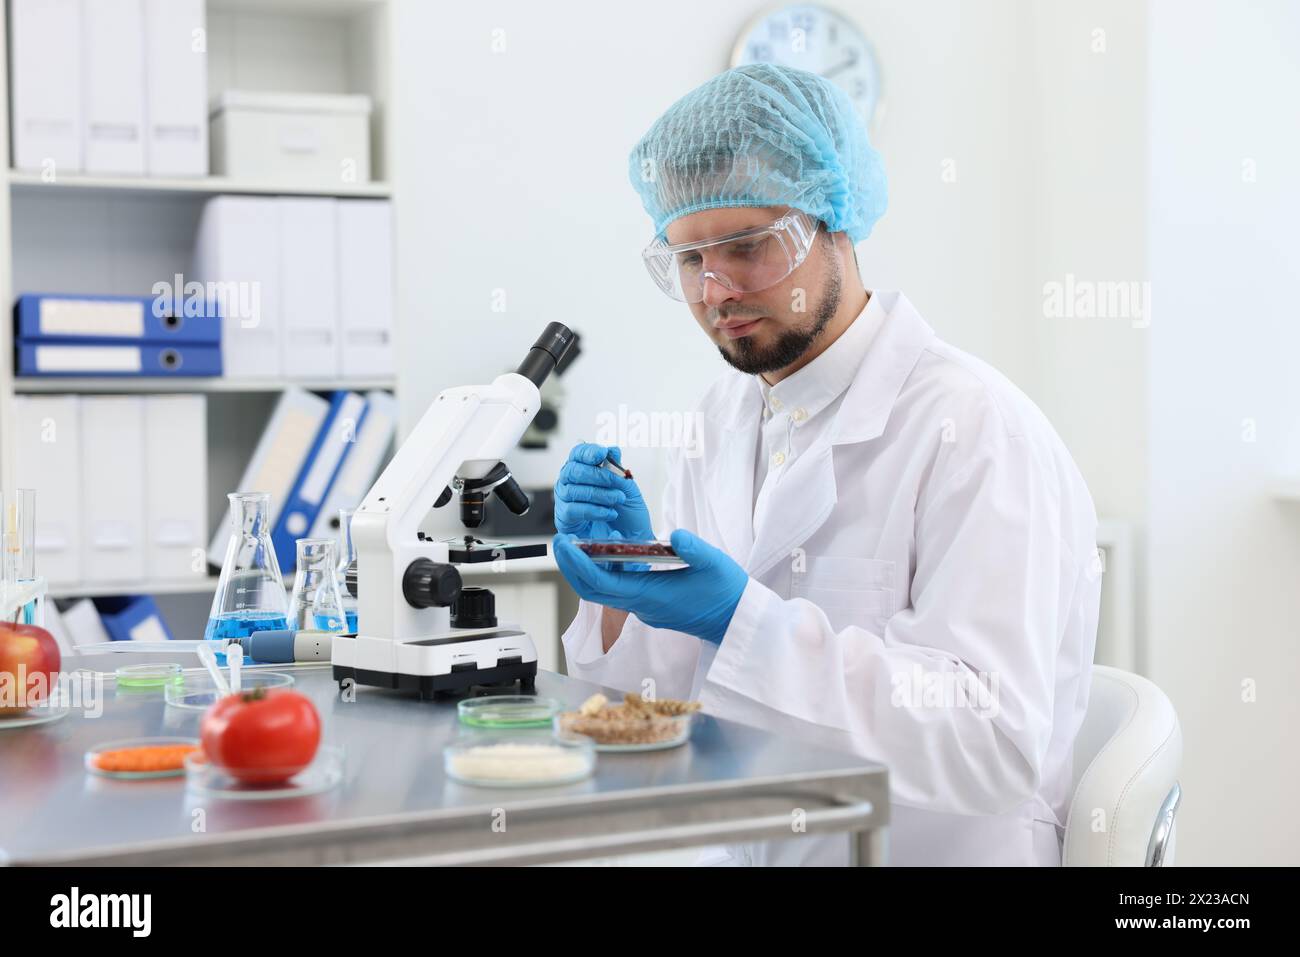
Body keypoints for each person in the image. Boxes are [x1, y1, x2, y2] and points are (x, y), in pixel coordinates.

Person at [550, 63, 1101, 866]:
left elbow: (992, 742)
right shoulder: (720, 419)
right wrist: (625, 589)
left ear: (836, 219)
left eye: (746, 246)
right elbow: (664, 702)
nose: (716, 290)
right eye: (689, 257)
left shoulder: (975, 428)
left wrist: (738, 619)